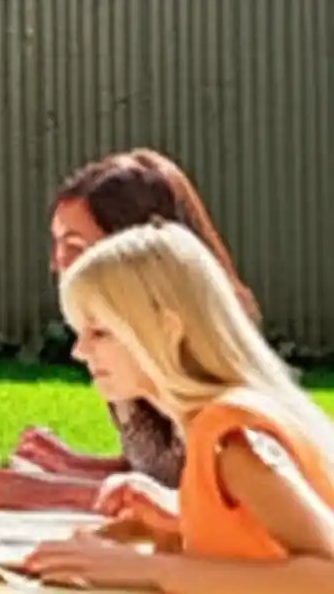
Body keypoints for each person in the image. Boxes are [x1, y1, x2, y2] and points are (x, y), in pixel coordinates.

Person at [24, 222, 334, 592]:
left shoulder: (233, 442)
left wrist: (145, 567)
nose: (79, 351)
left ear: (168, 330)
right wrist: (181, 517)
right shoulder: (213, 427)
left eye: (100, 332)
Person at [0, 149, 259, 511]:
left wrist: (58, 492)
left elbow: (222, 503)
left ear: (134, 249)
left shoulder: (200, 358)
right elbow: (162, 471)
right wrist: (74, 466)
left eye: (75, 247)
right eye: (56, 245)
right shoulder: (123, 350)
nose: (57, 265)